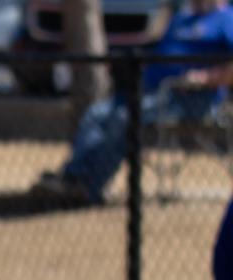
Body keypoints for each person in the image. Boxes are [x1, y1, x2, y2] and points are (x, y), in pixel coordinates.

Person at [32, 0, 233, 206]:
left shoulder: (226, 18)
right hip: (148, 93)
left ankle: (90, 186)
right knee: (97, 113)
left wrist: (205, 78)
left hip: (187, 99)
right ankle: (72, 177)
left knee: (123, 118)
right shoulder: (181, 18)